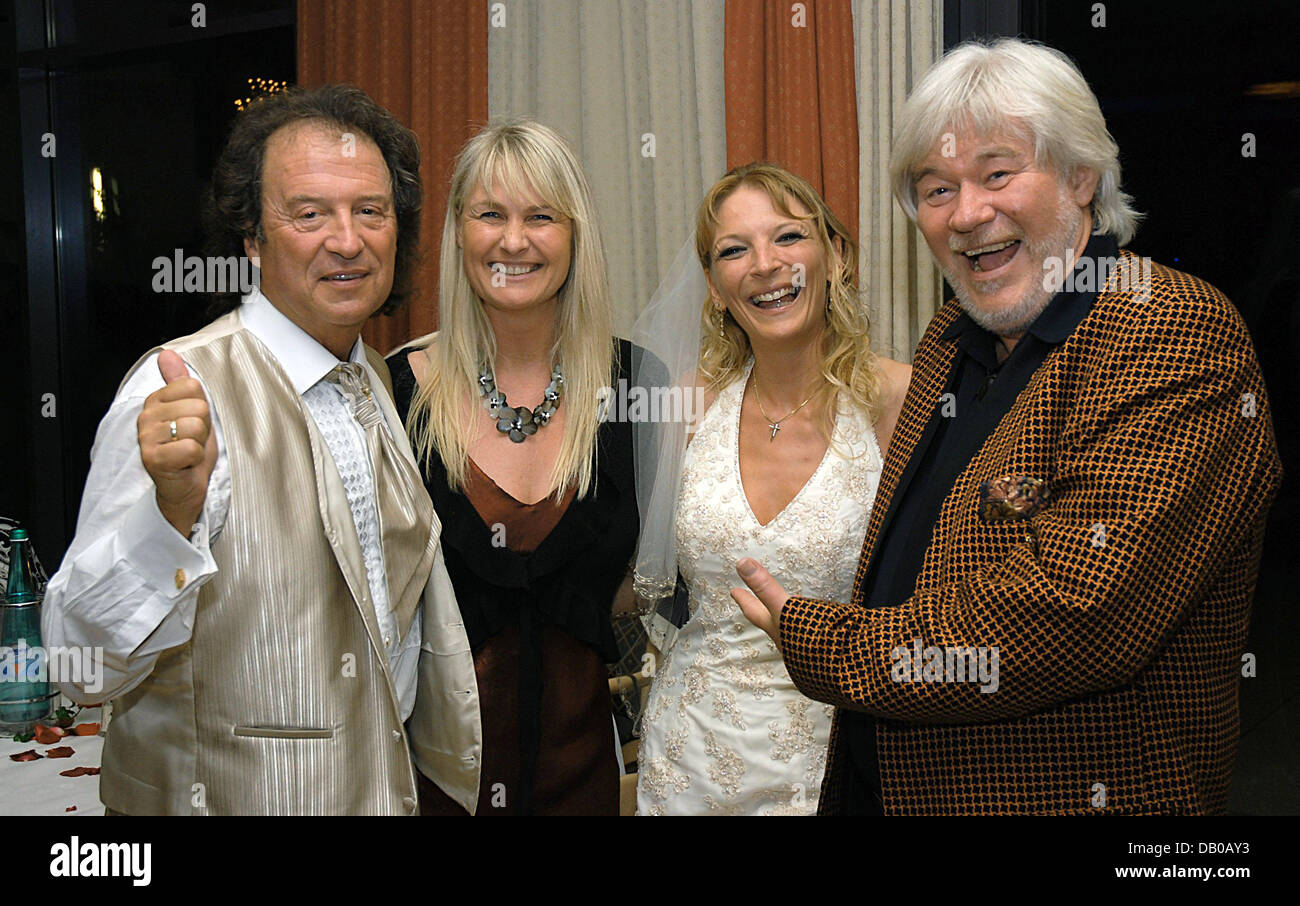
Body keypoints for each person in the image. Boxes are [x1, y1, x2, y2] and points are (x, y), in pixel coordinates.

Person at [733, 38, 1283, 815]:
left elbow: (1074, 613)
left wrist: (819, 642)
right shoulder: (948, 341)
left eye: (998, 174)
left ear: (1081, 175)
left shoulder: (1169, 330)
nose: (967, 215)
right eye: (935, 189)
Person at [41, 85, 481, 815]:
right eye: (308, 214)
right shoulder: (181, 386)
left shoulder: (373, 376)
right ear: (251, 237)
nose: (347, 239)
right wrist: (170, 519)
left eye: (369, 211)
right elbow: (77, 665)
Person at [633, 163, 910, 815]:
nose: (764, 263)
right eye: (734, 249)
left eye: (788, 237)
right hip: (690, 757)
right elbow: (642, 579)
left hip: (838, 753)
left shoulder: (903, 398)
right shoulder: (683, 407)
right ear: (714, 286)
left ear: (835, 256)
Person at [388, 119, 636, 816]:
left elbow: (663, 583)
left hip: (585, 783)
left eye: (541, 216)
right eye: (490, 214)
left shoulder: (637, 388)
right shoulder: (395, 394)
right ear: (458, 231)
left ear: (574, 235)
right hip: (430, 789)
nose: (514, 240)